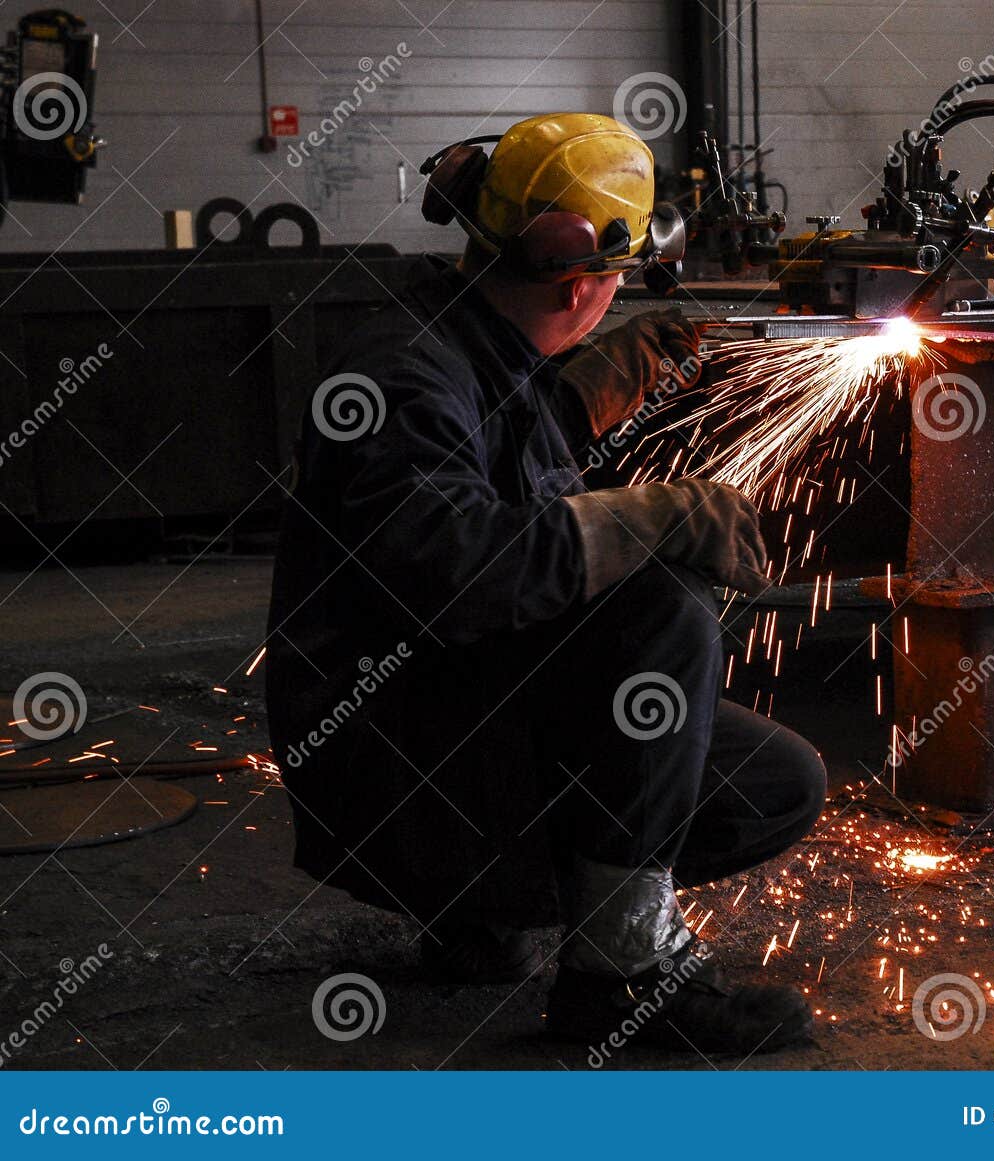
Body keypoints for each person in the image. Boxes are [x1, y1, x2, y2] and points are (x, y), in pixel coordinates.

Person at [265, 113, 825, 1056]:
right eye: (619, 276)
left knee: (769, 784)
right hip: (384, 769)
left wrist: (600, 381)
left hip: (430, 726)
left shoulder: (462, 341)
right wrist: (656, 515)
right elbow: (459, 566)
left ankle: (490, 911)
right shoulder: (406, 373)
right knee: (662, 604)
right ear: (582, 282)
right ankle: (620, 977)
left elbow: (498, 451)